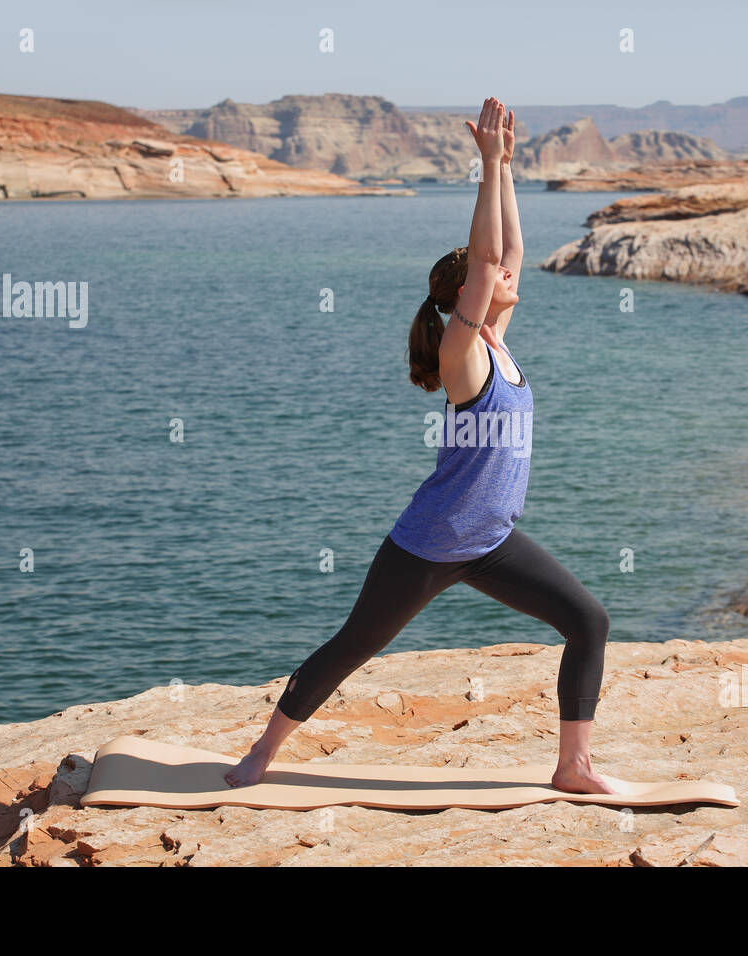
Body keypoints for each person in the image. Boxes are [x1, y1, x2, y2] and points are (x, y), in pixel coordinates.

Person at [227, 97, 614, 794]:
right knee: (355, 646)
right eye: (493, 277)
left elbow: (510, 250)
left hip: (491, 541)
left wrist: (509, 169)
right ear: (470, 292)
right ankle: (262, 752)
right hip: (432, 541)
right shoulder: (463, 356)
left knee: (589, 620)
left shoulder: (500, 343)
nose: (511, 277)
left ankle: (574, 766)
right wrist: (487, 165)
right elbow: (491, 255)